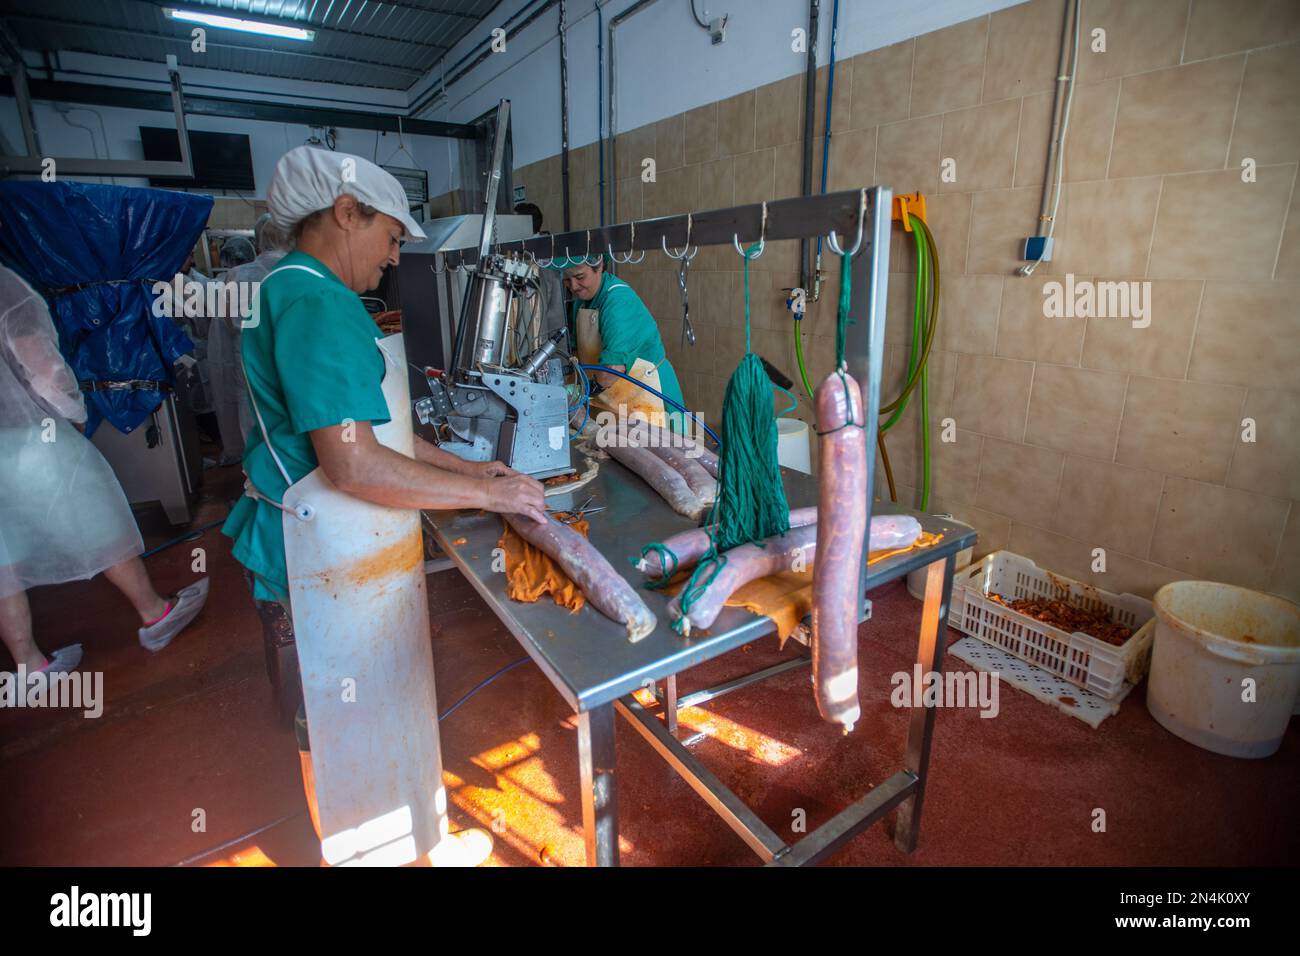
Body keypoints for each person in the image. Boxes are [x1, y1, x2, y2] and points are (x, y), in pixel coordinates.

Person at [222, 145, 547, 867]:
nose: (394, 257)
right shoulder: (310, 300)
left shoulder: (305, 290)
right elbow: (351, 462)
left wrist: (465, 467)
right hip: (319, 555)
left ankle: (414, 844)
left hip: (343, 545)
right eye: (391, 237)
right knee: (342, 721)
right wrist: (485, 493)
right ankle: (378, 853)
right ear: (345, 214)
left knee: (369, 704)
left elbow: (374, 431)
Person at [0, 265, 210, 678]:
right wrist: (75, 414)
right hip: (27, 439)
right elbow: (44, 369)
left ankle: (29, 665)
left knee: (3, 559)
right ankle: (155, 612)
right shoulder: (7, 289)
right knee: (98, 521)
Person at [561, 254, 687, 430]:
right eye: (567, 279)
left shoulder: (618, 301)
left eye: (580, 277)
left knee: (664, 452)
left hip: (648, 394)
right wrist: (569, 386)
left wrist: (583, 393)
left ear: (599, 268)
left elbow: (614, 368)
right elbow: (575, 354)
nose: (573, 286)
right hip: (613, 397)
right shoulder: (581, 303)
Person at [208, 219, 290, 465]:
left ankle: (258, 480)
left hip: (247, 362)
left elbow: (229, 320)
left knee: (253, 422)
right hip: (287, 360)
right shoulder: (294, 270)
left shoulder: (238, 275)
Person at [513, 202, 566, 341]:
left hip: (544, 330)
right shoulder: (532, 250)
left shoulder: (541, 257)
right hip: (542, 328)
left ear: (524, 224)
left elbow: (547, 306)